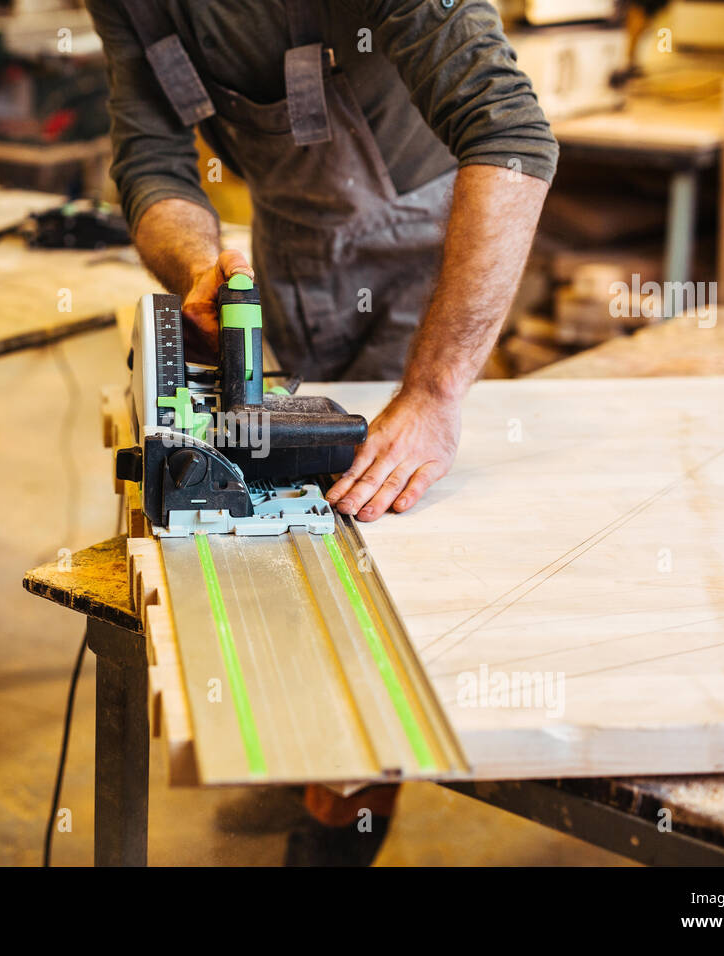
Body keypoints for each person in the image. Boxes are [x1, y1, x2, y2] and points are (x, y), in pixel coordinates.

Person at [87, 0, 558, 864]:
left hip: (438, 255)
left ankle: (345, 805)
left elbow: (513, 139)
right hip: (292, 251)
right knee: (291, 518)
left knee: (382, 533)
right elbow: (151, 161)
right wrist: (200, 266)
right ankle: (306, 739)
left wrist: (435, 391)